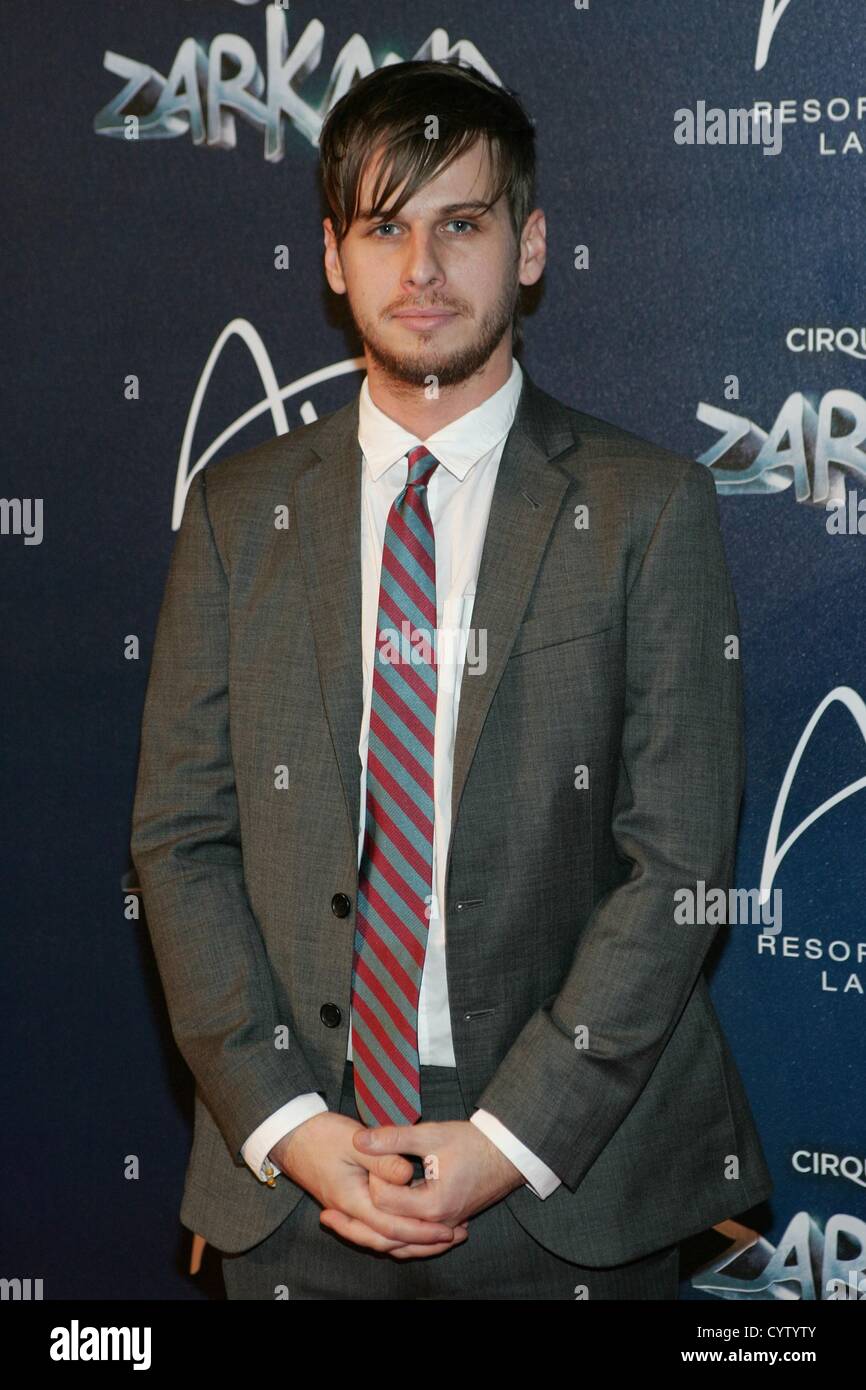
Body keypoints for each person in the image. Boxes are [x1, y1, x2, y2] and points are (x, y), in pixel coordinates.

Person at [130, 58, 773, 1301]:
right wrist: (293, 1130)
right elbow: (178, 839)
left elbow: (680, 863)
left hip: (568, 1181)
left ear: (528, 248)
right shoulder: (234, 512)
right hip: (292, 1171)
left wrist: (506, 1139)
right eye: (385, 228)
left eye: (460, 225)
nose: (421, 270)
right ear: (332, 258)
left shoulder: (649, 509)